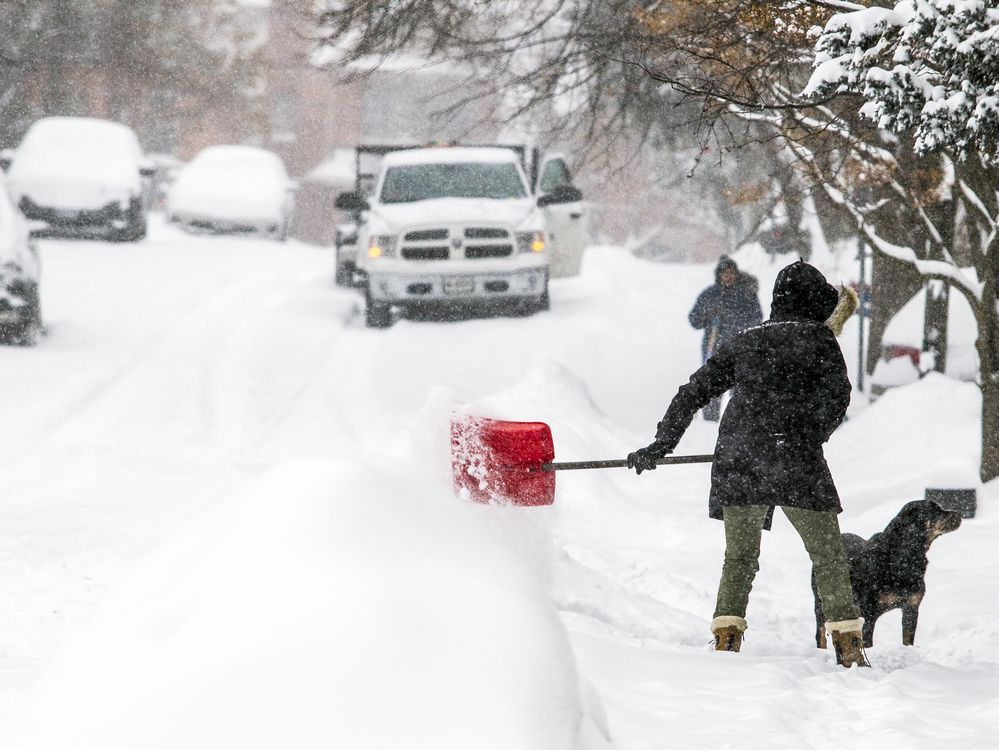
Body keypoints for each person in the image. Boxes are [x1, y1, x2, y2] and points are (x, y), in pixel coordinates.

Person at [627, 260, 867, 668]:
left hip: (741, 457)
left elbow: (693, 392)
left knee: (739, 558)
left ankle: (726, 639)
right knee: (828, 556)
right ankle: (847, 644)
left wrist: (660, 444)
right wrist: (809, 433)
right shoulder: (820, 340)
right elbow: (838, 397)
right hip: (797, 460)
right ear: (813, 301)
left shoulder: (745, 340)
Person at [688, 256, 762, 421]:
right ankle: (709, 422)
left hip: (739, 349)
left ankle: (738, 423)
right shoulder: (709, 295)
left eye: (731, 273)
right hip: (713, 349)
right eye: (724, 273)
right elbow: (694, 319)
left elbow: (757, 319)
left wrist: (737, 323)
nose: (728, 276)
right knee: (712, 387)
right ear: (718, 275)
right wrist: (708, 315)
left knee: (740, 389)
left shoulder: (746, 294)